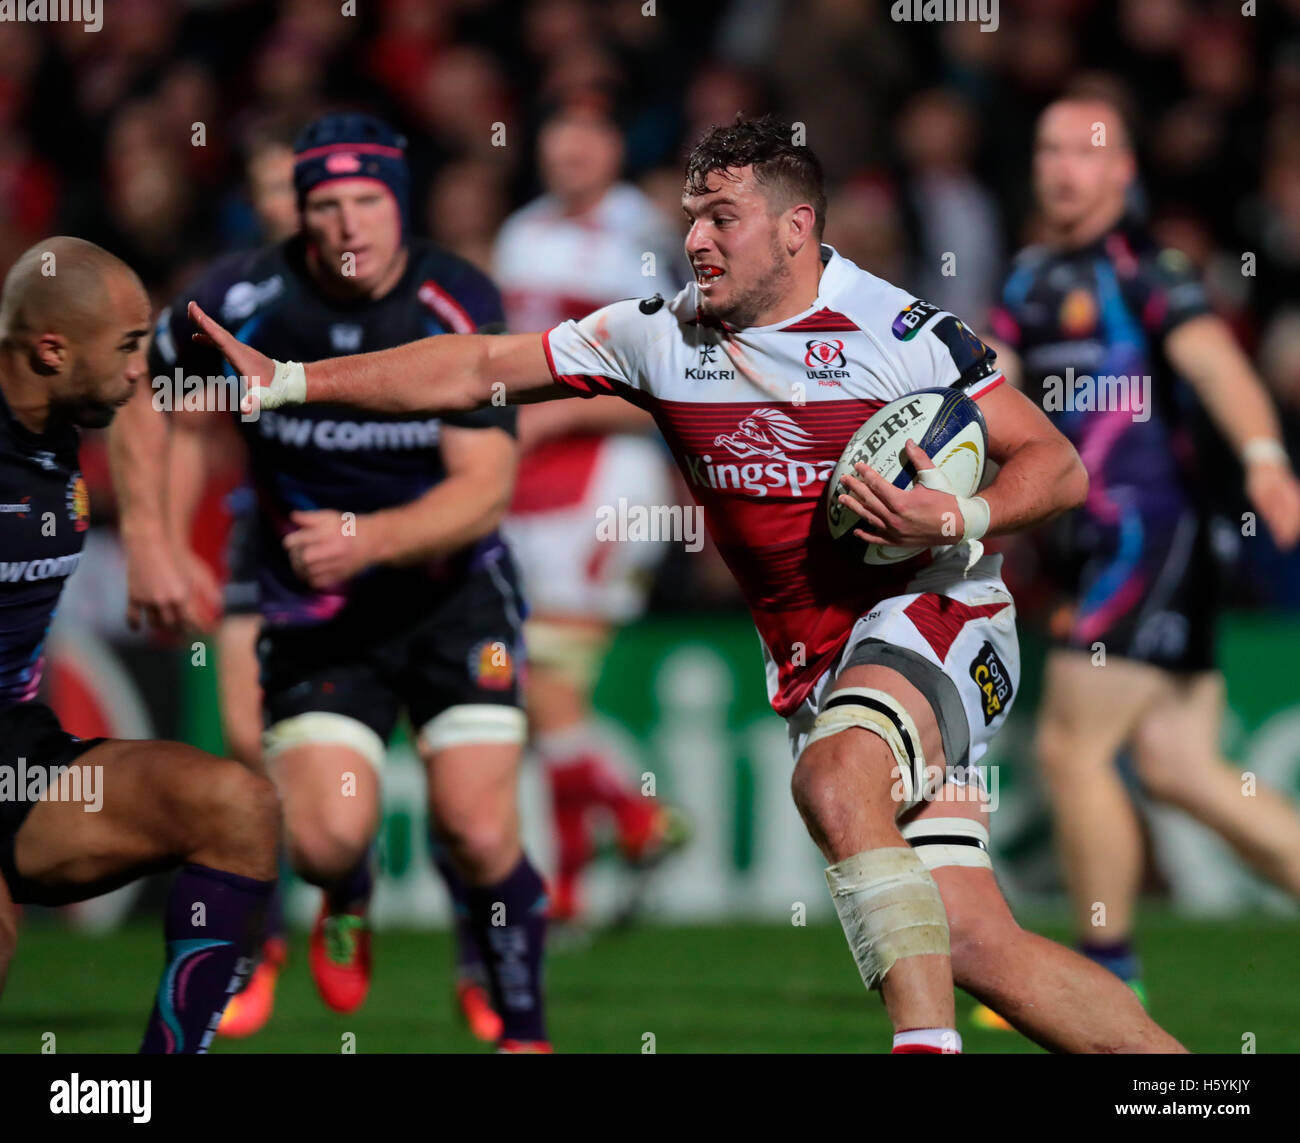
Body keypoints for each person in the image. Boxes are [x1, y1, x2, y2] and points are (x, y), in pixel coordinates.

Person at [193, 115, 1187, 1053]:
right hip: (823, 664)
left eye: (722, 219)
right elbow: (476, 367)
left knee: (834, 779)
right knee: (972, 944)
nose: (697, 242)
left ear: (796, 228)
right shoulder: (657, 338)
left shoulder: (900, 332)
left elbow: (1054, 465)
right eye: (689, 220)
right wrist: (291, 381)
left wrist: (957, 515)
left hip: (940, 613)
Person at [113, 114, 549, 1052]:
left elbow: (485, 490)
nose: (349, 223)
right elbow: (145, 388)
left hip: (450, 596)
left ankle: (523, 1028)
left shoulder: (457, 297)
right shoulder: (244, 293)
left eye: (367, 201)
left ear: (398, 204)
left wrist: (371, 535)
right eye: (325, 204)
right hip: (315, 608)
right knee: (322, 839)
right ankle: (345, 890)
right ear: (299, 213)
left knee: (478, 828)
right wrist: (150, 537)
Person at [987, 92, 1300, 1012]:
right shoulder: (1027, 280)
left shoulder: (1148, 268)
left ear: (1123, 169)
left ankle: (1106, 975)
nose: (1062, 166)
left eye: (1085, 150)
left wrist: (1267, 458)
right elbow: (994, 397)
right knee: (1178, 767)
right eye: (1048, 148)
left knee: (1071, 748)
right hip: (1107, 544)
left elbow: (1215, 365)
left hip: (1148, 533)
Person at [0, 236, 280, 1053]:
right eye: (126, 347)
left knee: (239, 806)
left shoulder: (65, 417)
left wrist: (154, 542)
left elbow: (151, 405)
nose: (138, 369)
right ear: (52, 349)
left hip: (19, 749)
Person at [494, 96, 688, 925]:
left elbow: (679, 376)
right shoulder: (519, 232)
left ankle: (641, 815)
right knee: (533, 688)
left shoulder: (642, 237)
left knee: (544, 684)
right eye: (557, 131)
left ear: (614, 145)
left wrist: (568, 411)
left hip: (610, 478)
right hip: (526, 479)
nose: (569, 149)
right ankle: (575, 878)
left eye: (588, 133)